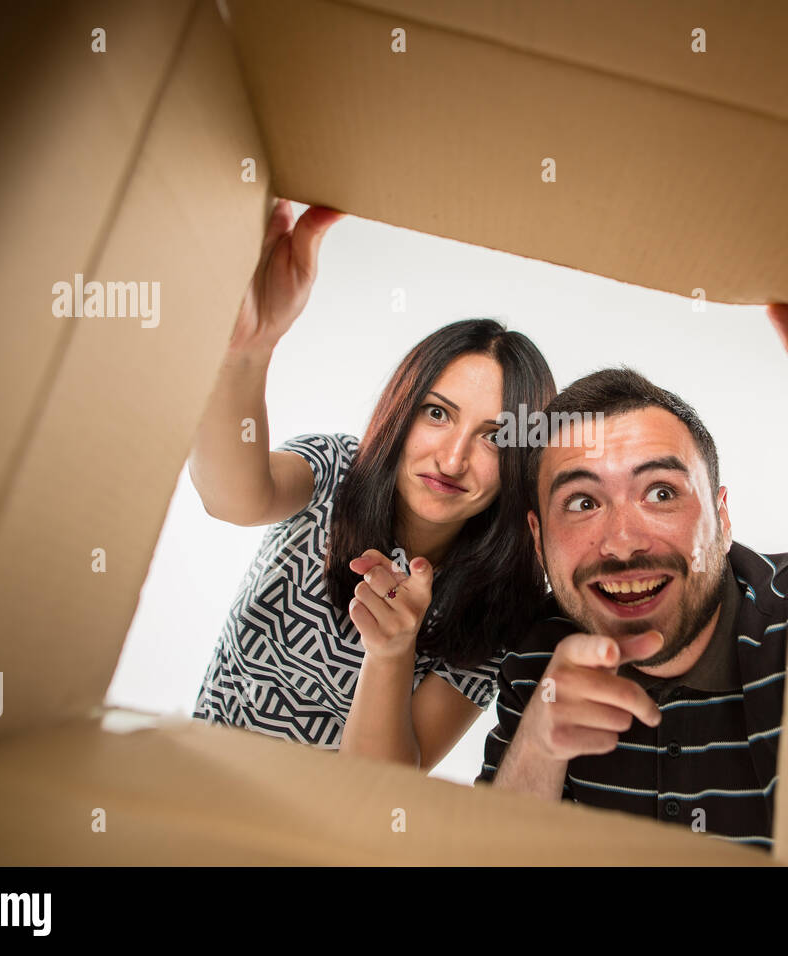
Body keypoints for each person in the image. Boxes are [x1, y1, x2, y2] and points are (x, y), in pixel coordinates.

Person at [190, 199, 556, 772]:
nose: (453, 457)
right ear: (402, 409)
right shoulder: (334, 469)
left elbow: (383, 786)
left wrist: (390, 653)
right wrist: (247, 348)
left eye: (494, 438)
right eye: (437, 414)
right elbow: (231, 497)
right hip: (192, 790)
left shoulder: (503, 613)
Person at [475, 333, 788, 850]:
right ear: (539, 542)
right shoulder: (537, 655)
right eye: (582, 502)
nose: (622, 544)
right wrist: (539, 747)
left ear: (722, 520)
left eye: (661, 493)